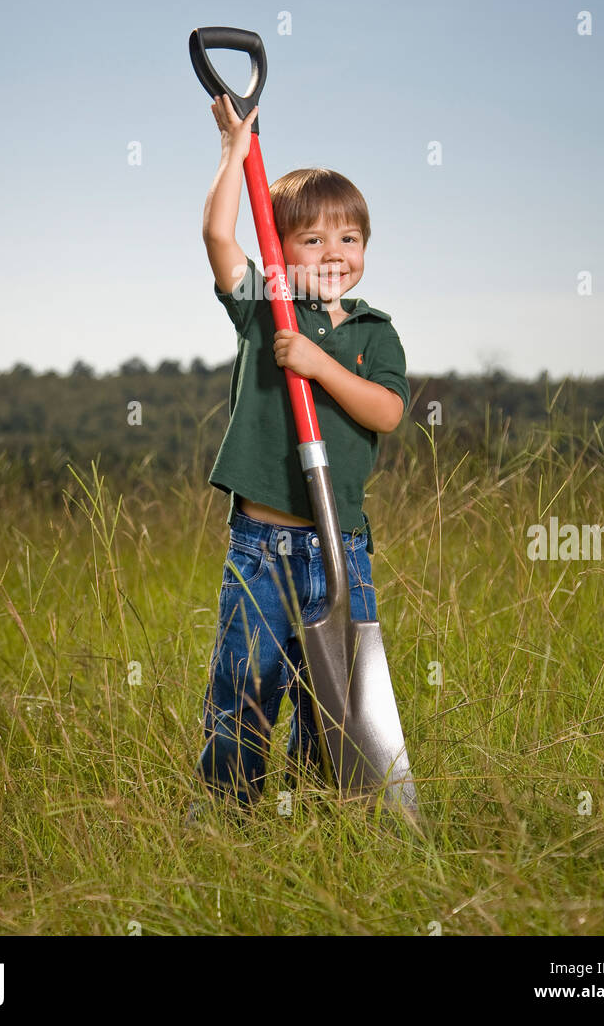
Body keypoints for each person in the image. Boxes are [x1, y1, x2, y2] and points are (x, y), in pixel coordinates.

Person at [192, 93, 411, 815]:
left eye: (349, 239)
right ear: (280, 247)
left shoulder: (376, 333)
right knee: (246, 688)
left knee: (335, 701)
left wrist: (318, 365)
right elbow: (219, 237)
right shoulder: (266, 306)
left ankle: (330, 814)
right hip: (263, 546)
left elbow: (386, 410)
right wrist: (235, 151)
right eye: (311, 240)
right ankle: (230, 816)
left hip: (339, 547)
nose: (333, 254)